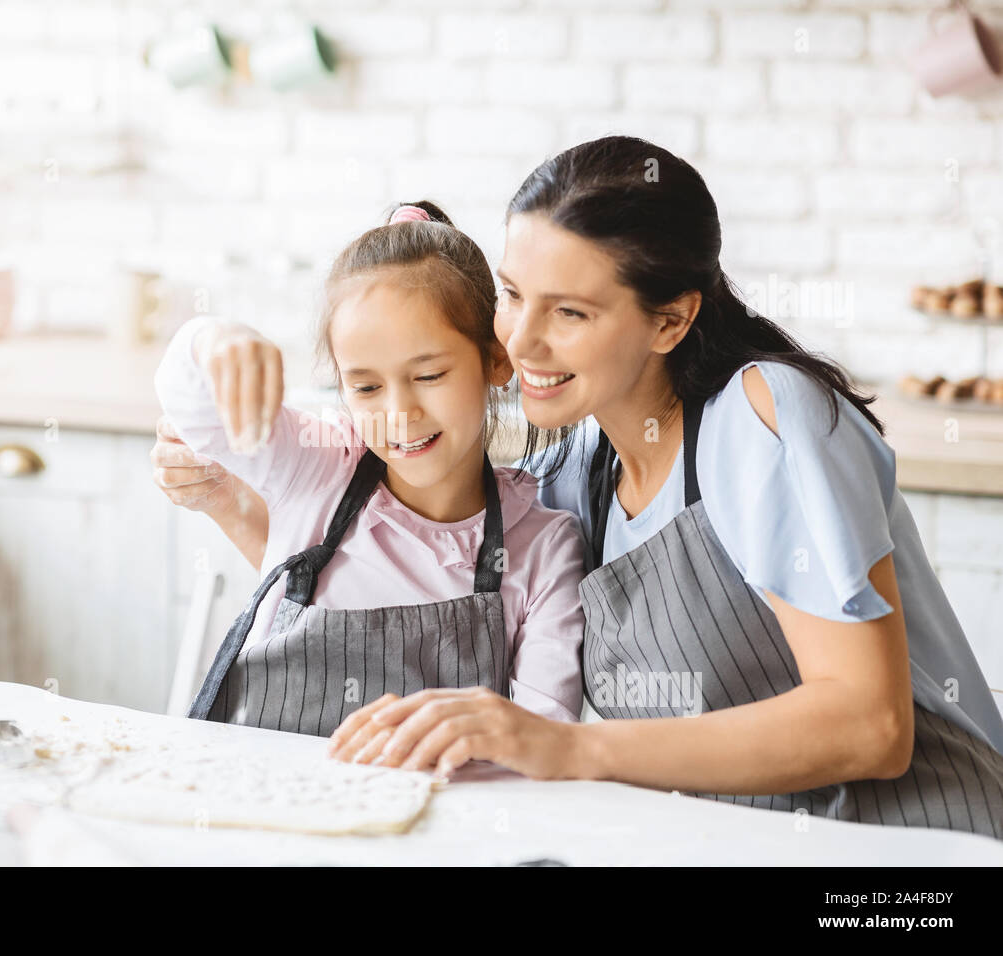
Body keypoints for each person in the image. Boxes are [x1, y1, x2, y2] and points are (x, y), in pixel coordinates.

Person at [155, 138, 1003, 839]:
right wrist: (242, 507)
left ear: (670, 319)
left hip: (909, 842)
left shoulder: (763, 417)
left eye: (570, 313)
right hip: (741, 836)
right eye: (514, 296)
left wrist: (571, 747)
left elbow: (871, 728)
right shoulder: (574, 466)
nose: (520, 342)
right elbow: (399, 574)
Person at [152, 201, 586, 737]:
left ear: (497, 359)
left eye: (429, 375)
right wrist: (212, 341)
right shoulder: (316, 463)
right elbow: (194, 407)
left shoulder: (543, 547)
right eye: (366, 387)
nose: (400, 413)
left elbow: (544, 734)